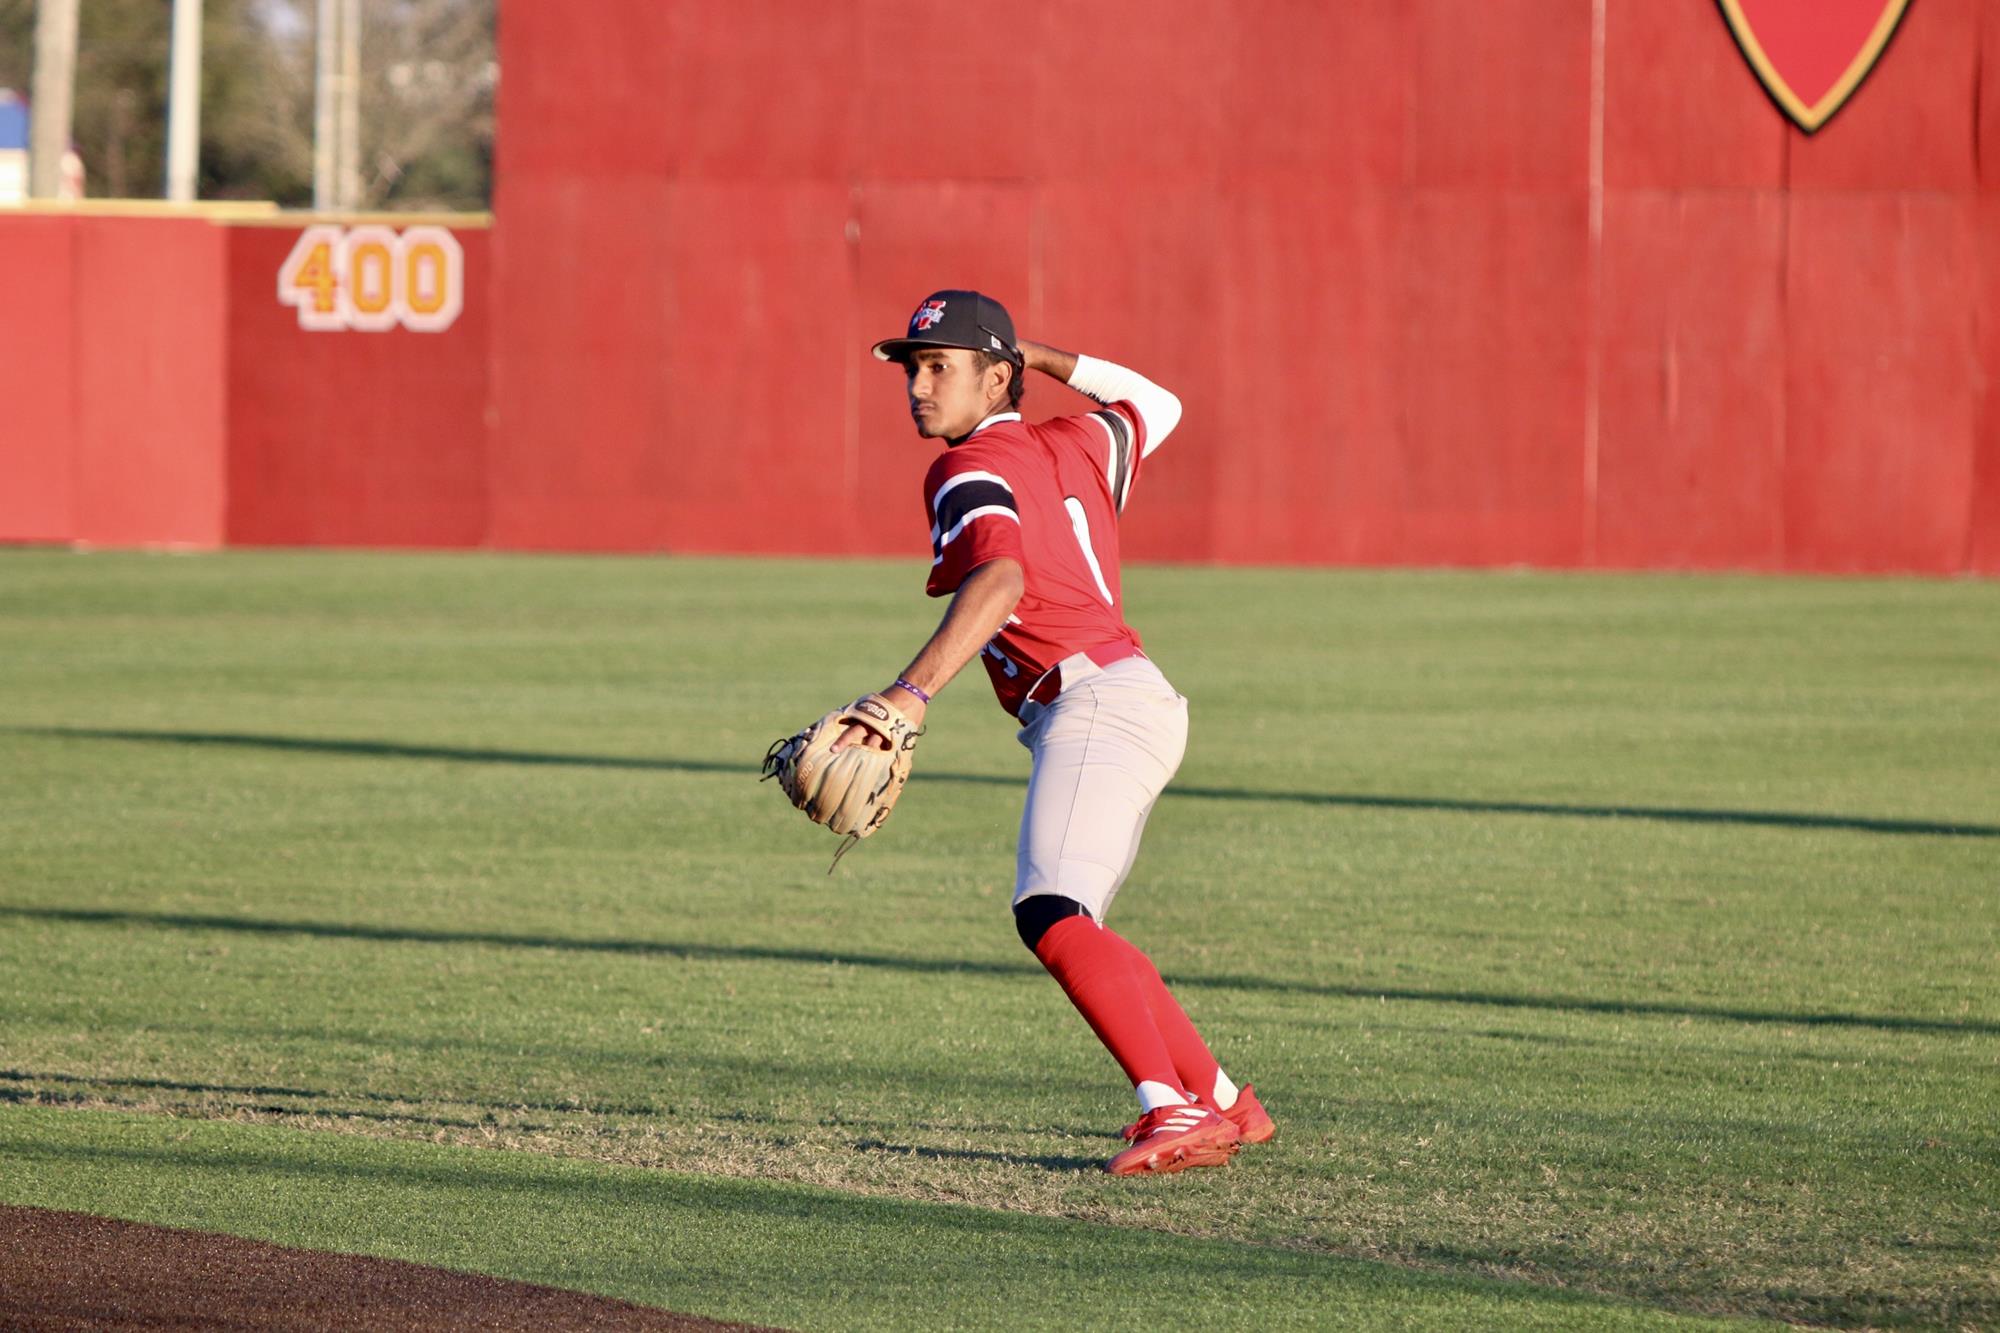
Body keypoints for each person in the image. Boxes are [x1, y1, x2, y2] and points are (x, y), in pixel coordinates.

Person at [843, 289, 1274, 1176]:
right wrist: (1040, 356)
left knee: (1050, 912)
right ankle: (1225, 1098)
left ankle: (1170, 1106)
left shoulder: (964, 469)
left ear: (992, 377)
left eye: (939, 367)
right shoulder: (1078, 441)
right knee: (1081, 918)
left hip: (1093, 701)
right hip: (1126, 695)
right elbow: (1160, 405)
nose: (918, 387)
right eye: (912, 368)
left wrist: (908, 695)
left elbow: (998, 577)